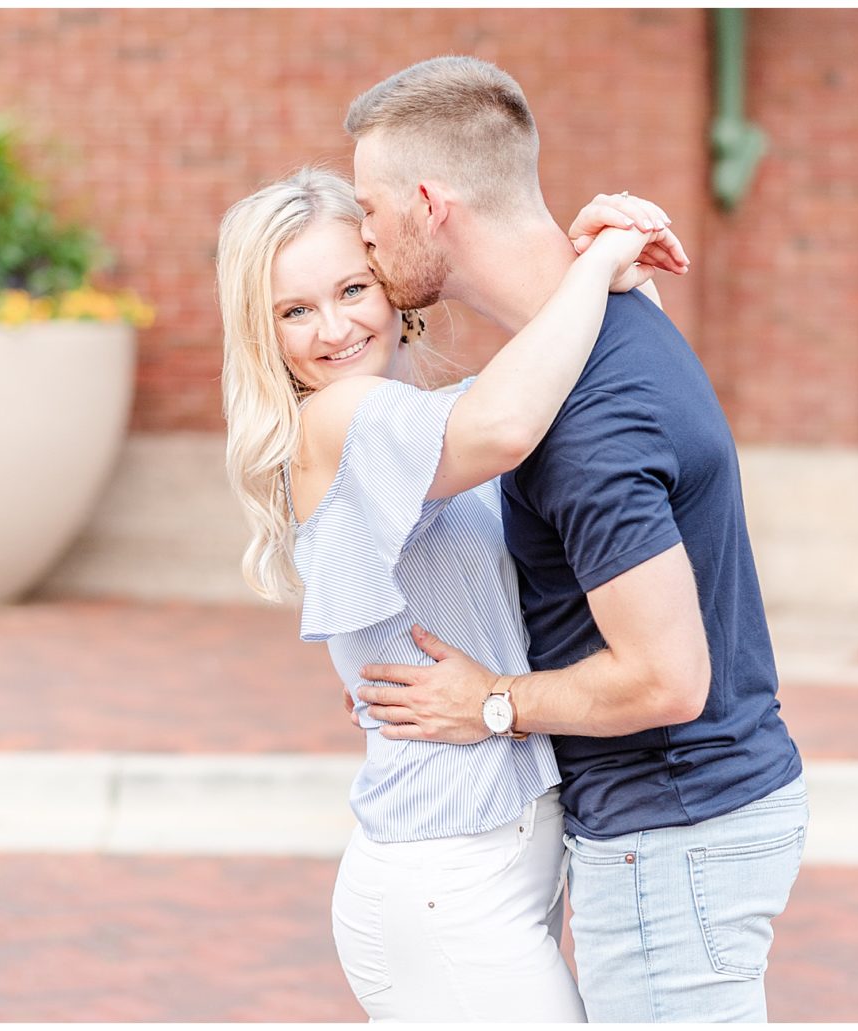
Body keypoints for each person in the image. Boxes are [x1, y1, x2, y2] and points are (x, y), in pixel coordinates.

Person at [344, 57, 807, 1023]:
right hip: (701, 818)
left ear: (430, 203)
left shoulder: (586, 419)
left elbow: (665, 678)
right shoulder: (610, 319)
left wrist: (493, 704)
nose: (363, 236)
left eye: (369, 208)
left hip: (672, 831)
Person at [217, 167, 688, 1021]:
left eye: (353, 287)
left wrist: (613, 270)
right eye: (295, 310)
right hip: (444, 878)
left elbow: (582, 390)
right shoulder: (336, 422)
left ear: (390, 283)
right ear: (264, 332)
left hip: (498, 860)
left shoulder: (429, 416)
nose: (334, 328)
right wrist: (588, 269)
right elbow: (511, 425)